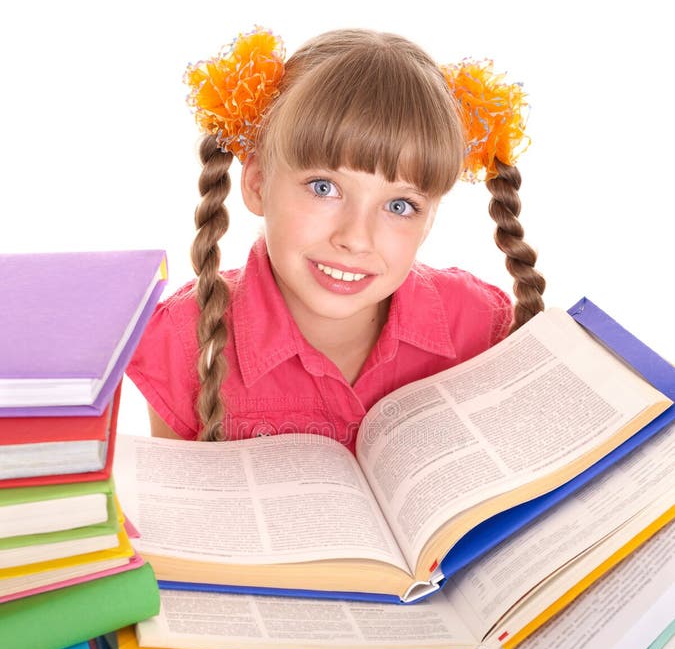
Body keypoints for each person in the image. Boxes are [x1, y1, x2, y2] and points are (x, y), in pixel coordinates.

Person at [127, 27, 545, 450]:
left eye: (399, 206)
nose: (355, 239)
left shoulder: (479, 325)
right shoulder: (183, 340)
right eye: (324, 188)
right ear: (257, 182)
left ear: (430, 217)